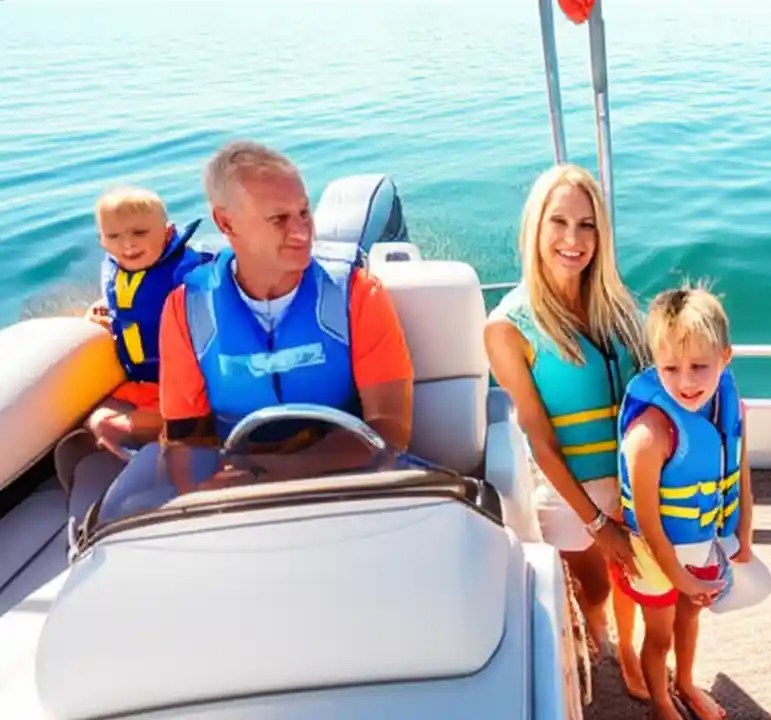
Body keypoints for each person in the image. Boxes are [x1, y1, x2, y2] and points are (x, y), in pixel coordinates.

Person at [99, 140, 415, 516]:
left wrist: (274, 475)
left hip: (348, 486)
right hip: (240, 497)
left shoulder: (358, 294)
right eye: (279, 219)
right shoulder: (186, 310)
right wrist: (201, 498)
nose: (302, 233)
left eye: (303, 213)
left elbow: (390, 428)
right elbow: (186, 436)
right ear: (226, 223)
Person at [485, 164, 651, 698]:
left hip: (633, 479)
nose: (573, 240)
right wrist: (598, 521)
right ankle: (591, 627)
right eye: (559, 222)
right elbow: (540, 440)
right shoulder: (509, 326)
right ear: (536, 227)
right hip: (568, 489)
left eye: (587, 225)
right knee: (597, 584)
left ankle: (628, 649)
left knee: (638, 578)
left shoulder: (618, 307)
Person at [611, 284, 756, 720]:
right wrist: (679, 576)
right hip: (655, 557)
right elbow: (650, 525)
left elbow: (741, 475)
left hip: (701, 543)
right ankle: (661, 702)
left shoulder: (729, 408)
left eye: (700, 366)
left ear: (725, 359)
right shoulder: (648, 436)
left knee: (689, 622)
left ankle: (688, 683)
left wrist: (743, 534)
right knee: (660, 637)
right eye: (671, 368)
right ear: (655, 364)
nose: (686, 382)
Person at [54, 186, 208, 498]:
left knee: (106, 424)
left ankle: (159, 460)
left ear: (168, 233)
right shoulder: (113, 268)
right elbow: (127, 303)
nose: (127, 244)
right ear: (101, 240)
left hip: (180, 385)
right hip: (139, 379)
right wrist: (105, 315)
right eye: (113, 236)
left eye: (139, 232)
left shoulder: (186, 272)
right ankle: (135, 452)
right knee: (93, 417)